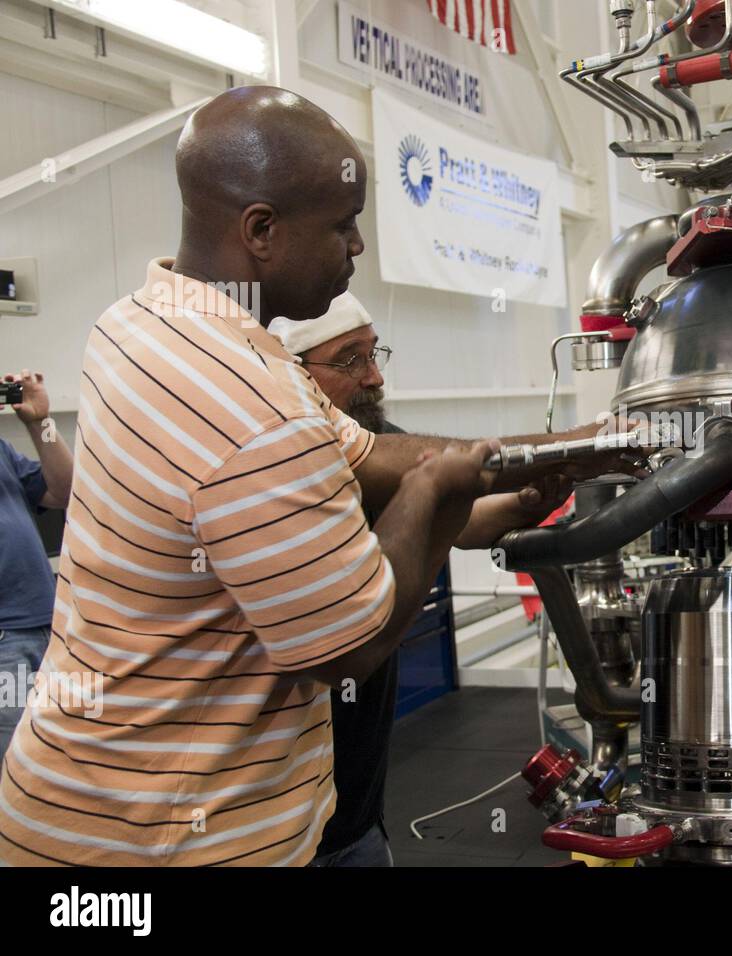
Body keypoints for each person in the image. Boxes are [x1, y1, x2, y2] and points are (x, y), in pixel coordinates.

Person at [0, 86, 621, 866]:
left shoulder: (144, 323)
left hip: (86, 807)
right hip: (159, 844)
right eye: (341, 226)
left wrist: (569, 448)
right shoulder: (253, 403)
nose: (357, 247)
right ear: (261, 231)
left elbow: (366, 455)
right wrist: (436, 492)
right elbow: (345, 644)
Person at [268, 295, 567, 867]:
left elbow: (462, 521)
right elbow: (336, 652)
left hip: (359, 811)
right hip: (281, 829)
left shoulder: (381, 438)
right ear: (293, 375)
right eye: (350, 360)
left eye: (373, 353)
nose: (375, 375)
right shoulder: (283, 468)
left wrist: (523, 503)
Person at [0, 370, 73, 759]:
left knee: (53, 756)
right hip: (6, 640)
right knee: (14, 761)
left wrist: (41, 422)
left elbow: (64, 490)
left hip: (48, 627)